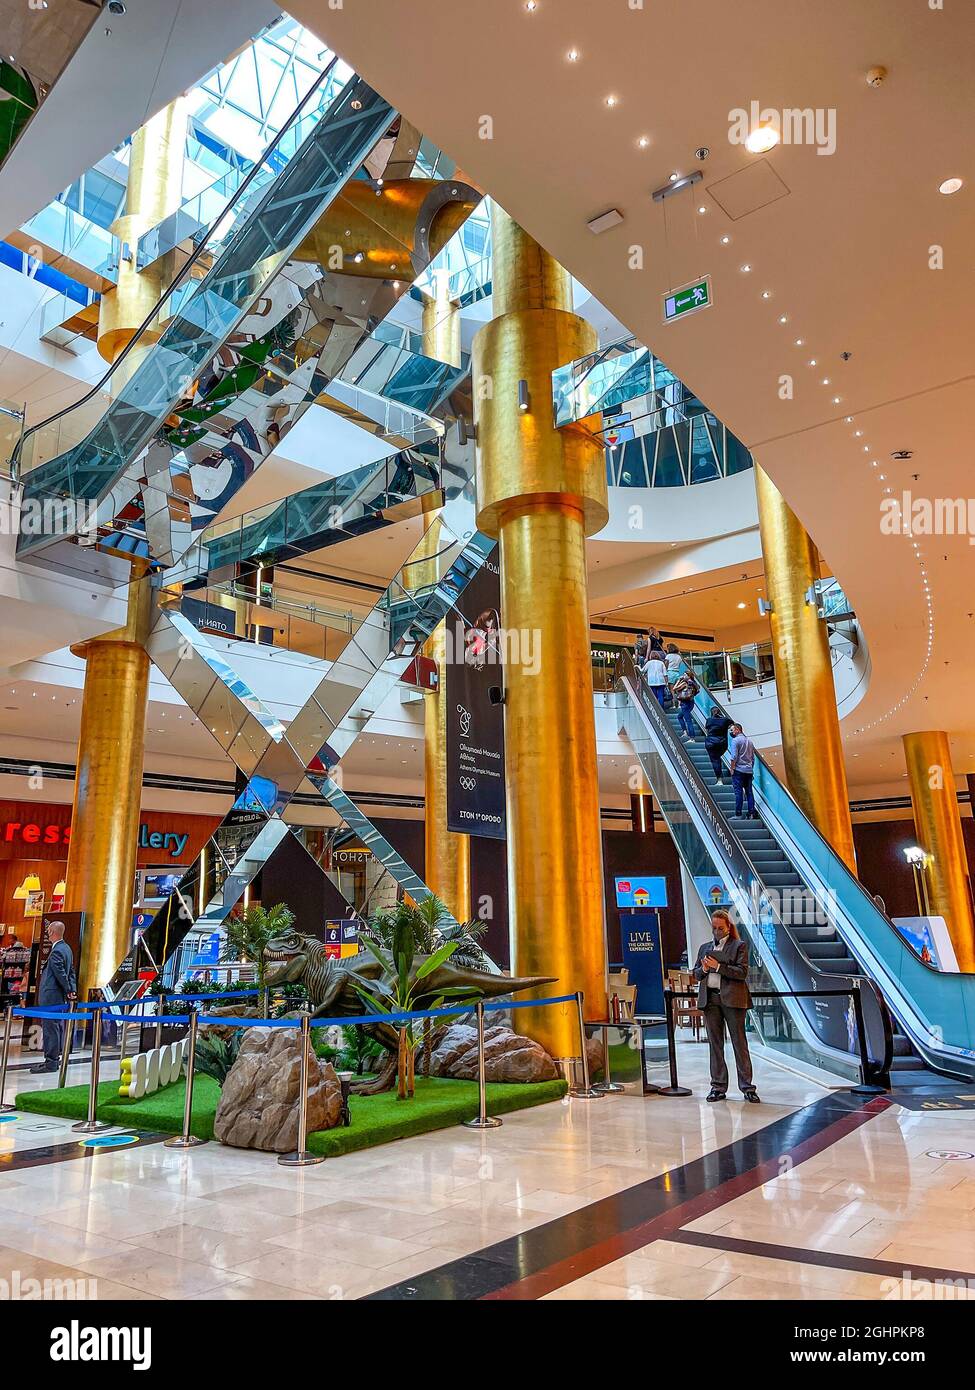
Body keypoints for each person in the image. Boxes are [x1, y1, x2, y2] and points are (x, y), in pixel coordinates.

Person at [693, 909, 759, 1103]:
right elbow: (697, 974)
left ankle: (747, 1087)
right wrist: (704, 968)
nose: (716, 932)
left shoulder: (739, 946)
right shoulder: (705, 948)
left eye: (720, 928)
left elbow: (741, 973)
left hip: (733, 1000)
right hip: (710, 1000)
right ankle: (718, 1087)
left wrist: (719, 967)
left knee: (739, 1044)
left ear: (728, 927)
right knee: (715, 1045)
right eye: (714, 928)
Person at [30, 920, 76, 1074]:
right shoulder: (67, 949)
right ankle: (52, 1060)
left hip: (52, 996)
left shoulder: (57, 951)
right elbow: (71, 972)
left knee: (51, 1028)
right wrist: (71, 989)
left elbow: (60, 973)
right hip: (58, 996)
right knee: (54, 1027)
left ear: (51, 932)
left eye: (48, 931)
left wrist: (68, 988)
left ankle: (51, 1061)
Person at [728, 722, 757, 819]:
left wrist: (732, 768)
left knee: (738, 792)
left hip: (739, 770)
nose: (731, 732)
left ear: (737, 730)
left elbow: (734, 757)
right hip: (748, 771)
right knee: (749, 792)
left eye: (732, 730)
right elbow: (753, 758)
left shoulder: (735, 741)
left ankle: (738, 814)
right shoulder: (750, 741)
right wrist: (750, 769)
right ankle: (751, 813)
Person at [704, 708, 734, 783]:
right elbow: (732, 723)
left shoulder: (709, 720)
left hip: (710, 743)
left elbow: (707, 729)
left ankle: (719, 779)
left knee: (715, 760)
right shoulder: (725, 720)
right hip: (722, 743)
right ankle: (720, 775)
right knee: (717, 758)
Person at [673, 670, 699, 739]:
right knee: (680, 716)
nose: (683, 676)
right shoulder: (693, 682)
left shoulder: (685, 683)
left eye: (685, 675)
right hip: (691, 702)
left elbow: (674, 688)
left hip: (684, 703)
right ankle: (685, 732)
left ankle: (692, 737)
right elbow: (698, 690)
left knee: (688, 720)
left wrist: (679, 680)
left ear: (688, 676)